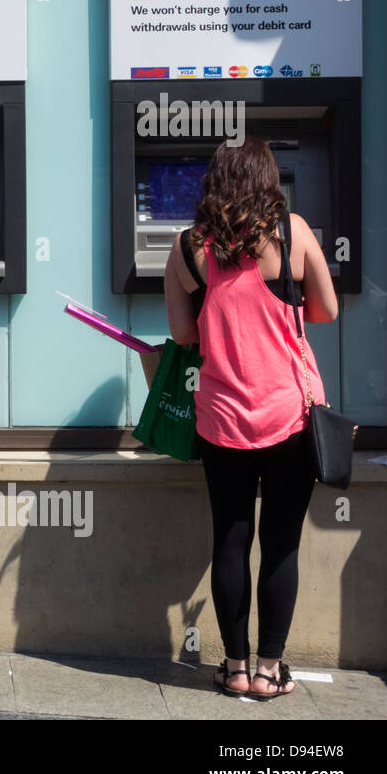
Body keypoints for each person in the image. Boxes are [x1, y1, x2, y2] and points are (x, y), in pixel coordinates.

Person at [165, 135, 338, 699]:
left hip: (222, 420)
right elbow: (326, 310)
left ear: (214, 181)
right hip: (290, 415)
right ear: (271, 180)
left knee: (231, 540)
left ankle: (234, 668)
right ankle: (269, 671)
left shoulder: (190, 247)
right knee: (281, 543)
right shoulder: (294, 233)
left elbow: (182, 335)